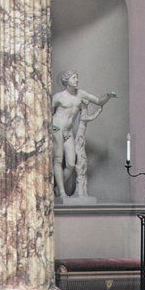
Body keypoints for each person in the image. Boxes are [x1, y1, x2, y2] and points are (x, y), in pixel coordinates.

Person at [50, 70, 117, 199]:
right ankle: (62, 192)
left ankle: (56, 187)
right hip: (57, 128)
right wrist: (53, 130)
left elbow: (98, 101)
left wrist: (107, 96)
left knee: (70, 164)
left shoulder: (81, 94)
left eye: (77, 78)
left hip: (68, 131)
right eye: (74, 78)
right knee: (58, 159)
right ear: (66, 80)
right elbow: (46, 114)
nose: (77, 80)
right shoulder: (58, 97)